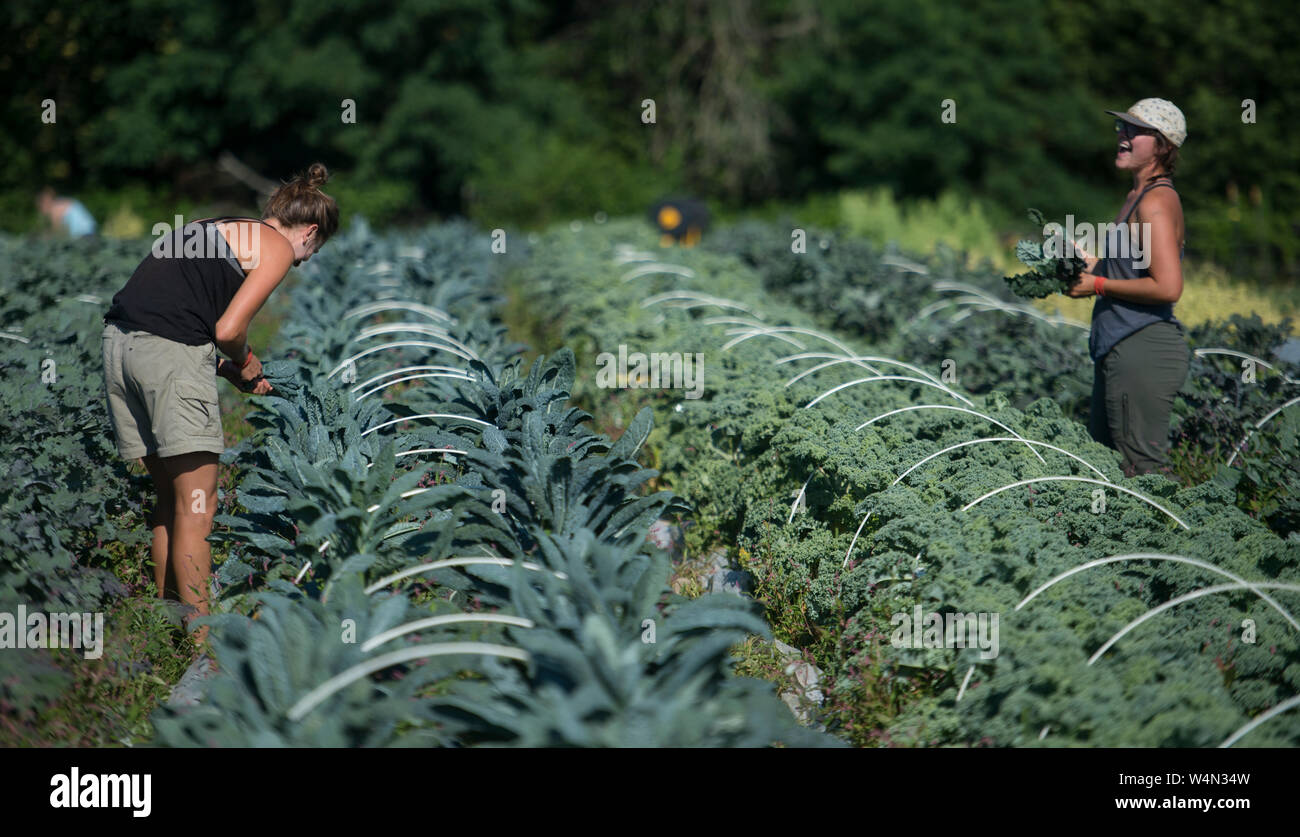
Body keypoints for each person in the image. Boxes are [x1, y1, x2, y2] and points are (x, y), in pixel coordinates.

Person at [101, 163, 339, 656]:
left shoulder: (215, 227)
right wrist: (248, 365)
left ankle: (171, 637)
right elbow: (229, 330)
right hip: (163, 354)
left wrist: (224, 369)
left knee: (170, 503)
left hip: (119, 347)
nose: (303, 262)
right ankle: (203, 649)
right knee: (199, 507)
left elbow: (175, 310)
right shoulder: (273, 246)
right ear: (309, 232)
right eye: (311, 253)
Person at [1066, 99, 1190, 478]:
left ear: (1162, 145)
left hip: (1141, 347)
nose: (1123, 135)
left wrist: (1097, 284)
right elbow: (1128, 270)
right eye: (1122, 127)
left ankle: (1182, 535)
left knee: (1142, 472)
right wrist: (1081, 261)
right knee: (1104, 468)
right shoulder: (1135, 198)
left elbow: (1168, 287)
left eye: (1135, 131)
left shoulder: (1154, 202)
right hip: (1121, 345)